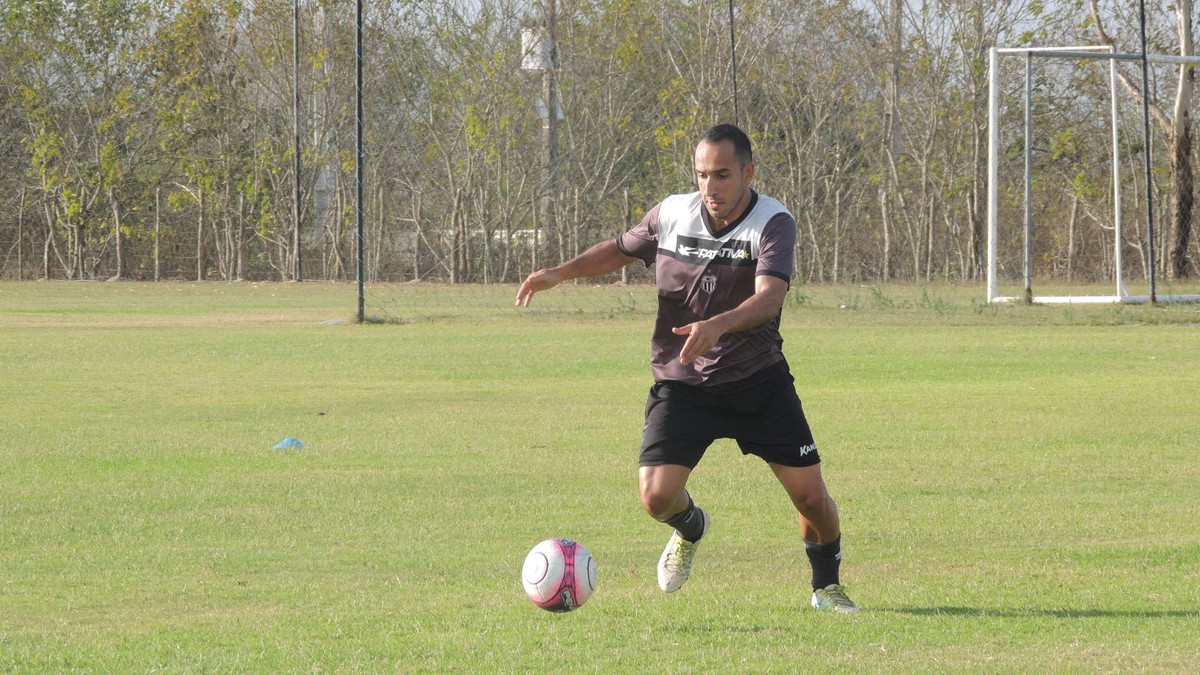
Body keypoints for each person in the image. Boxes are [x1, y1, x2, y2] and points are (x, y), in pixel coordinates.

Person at [515, 123, 858, 612]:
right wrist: (559, 273)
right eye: (701, 175)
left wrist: (717, 325)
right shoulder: (673, 213)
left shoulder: (773, 221)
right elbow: (620, 248)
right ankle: (692, 527)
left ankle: (826, 585)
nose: (709, 187)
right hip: (684, 381)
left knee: (811, 499)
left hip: (758, 383)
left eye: (721, 175)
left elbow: (770, 297)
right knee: (656, 497)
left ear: (747, 171)